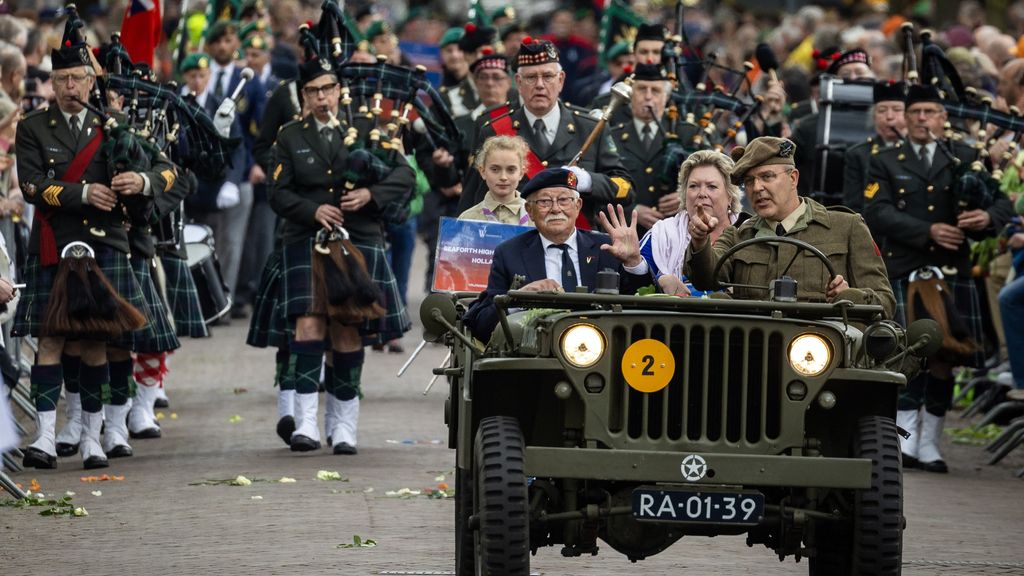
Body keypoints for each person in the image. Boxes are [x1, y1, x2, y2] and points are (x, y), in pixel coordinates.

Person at [15, 8, 173, 470]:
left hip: (105, 245)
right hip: (55, 241)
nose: (70, 87)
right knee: (49, 340)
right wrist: (83, 193)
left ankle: (91, 436)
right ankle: (46, 437)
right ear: (52, 82)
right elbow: (31, 186)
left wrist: (139, 183)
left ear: (91, 81)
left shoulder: (113, 127)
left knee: (96, 344)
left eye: (78, 79)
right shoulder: (32, 127)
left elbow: (166, 170)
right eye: (62, 79)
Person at [269, 50, 414, 455]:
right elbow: (277, 193)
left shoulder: (365, 126)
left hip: (358, 237)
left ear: (339, 90)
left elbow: (405, 175)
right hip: (306, 238)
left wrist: (370, 194)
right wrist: (312, 209)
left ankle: (344, 426)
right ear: (303, 95)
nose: (322, 97)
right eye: (313, 91)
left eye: (328, 88)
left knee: (348, 329)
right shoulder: (290, 136)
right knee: (309, 326)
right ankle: (305, 424)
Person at [864, 83, 1014, 473]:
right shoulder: (885, 159)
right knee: (908, 354)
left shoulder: (964, 156)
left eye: (930, 112)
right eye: (915, 112)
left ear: (943, 118)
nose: (922, 119)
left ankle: (931, 442)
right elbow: (876, 211)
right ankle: (905, 437)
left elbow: (1001, 204)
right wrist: (927, 231)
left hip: (950, 271)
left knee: (946, 358)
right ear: (906, 117)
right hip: (905, 267)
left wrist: (986, 219)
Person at [687, 136, 895, 317]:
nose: (757, 188)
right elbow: (705, 280)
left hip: (821, 346)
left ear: (793, 178)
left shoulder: (847, 227)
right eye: (749, 181)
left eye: (767, 176)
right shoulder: (739, 235)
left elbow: (885, 303)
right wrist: (700, 240)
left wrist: (850, 296)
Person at [458, 36, 633, 230]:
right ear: (519, 82)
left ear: (561, 80)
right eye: (531, 77)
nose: (540, 84)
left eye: (548, 76)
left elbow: (625, 189)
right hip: (516, 240)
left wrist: (588, 181)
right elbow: (472, 199)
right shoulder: (493, 130)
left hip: (576, 241)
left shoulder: (590, 127)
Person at [464, 167, 651, 342]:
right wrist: (517, 299)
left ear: (578, 206)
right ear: (529, 211)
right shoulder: (509, 253)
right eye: (544, 202)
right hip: (536, 354)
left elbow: (645, 305)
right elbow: (482, 324)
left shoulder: (607, 248)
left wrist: (634, 262)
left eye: (563, 200)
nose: (555, 209)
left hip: (604, 349)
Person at [640, 150, 745, 296]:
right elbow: (634, 288)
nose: (701, 193)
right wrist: (660, 282)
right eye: (693, 186)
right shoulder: (661, 235)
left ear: (730, 196)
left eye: (712, 186)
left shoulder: (749, 232)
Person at [610, 62, 682, 237]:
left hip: (675, 236)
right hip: (626, 235)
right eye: (642, 89)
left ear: (666, 98)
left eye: (655, 91)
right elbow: (599, 190)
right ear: (631, 95)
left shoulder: (687, 134)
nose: (648, 97)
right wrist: (630, 211)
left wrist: (686, 196)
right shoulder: (611, 137)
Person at [842, 81, 907, 212]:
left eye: (897, 110)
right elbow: (853, 206)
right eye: (882, 111)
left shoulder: (921, 149)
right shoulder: (859, 154)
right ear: (874, 117)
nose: (889, 117)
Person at [459, 135, 532, 226]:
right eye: (495, 169)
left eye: (511, 170)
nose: (503, 177)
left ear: (521, 173)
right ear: (483, 171)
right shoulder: (468, 219)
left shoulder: (536, 217)